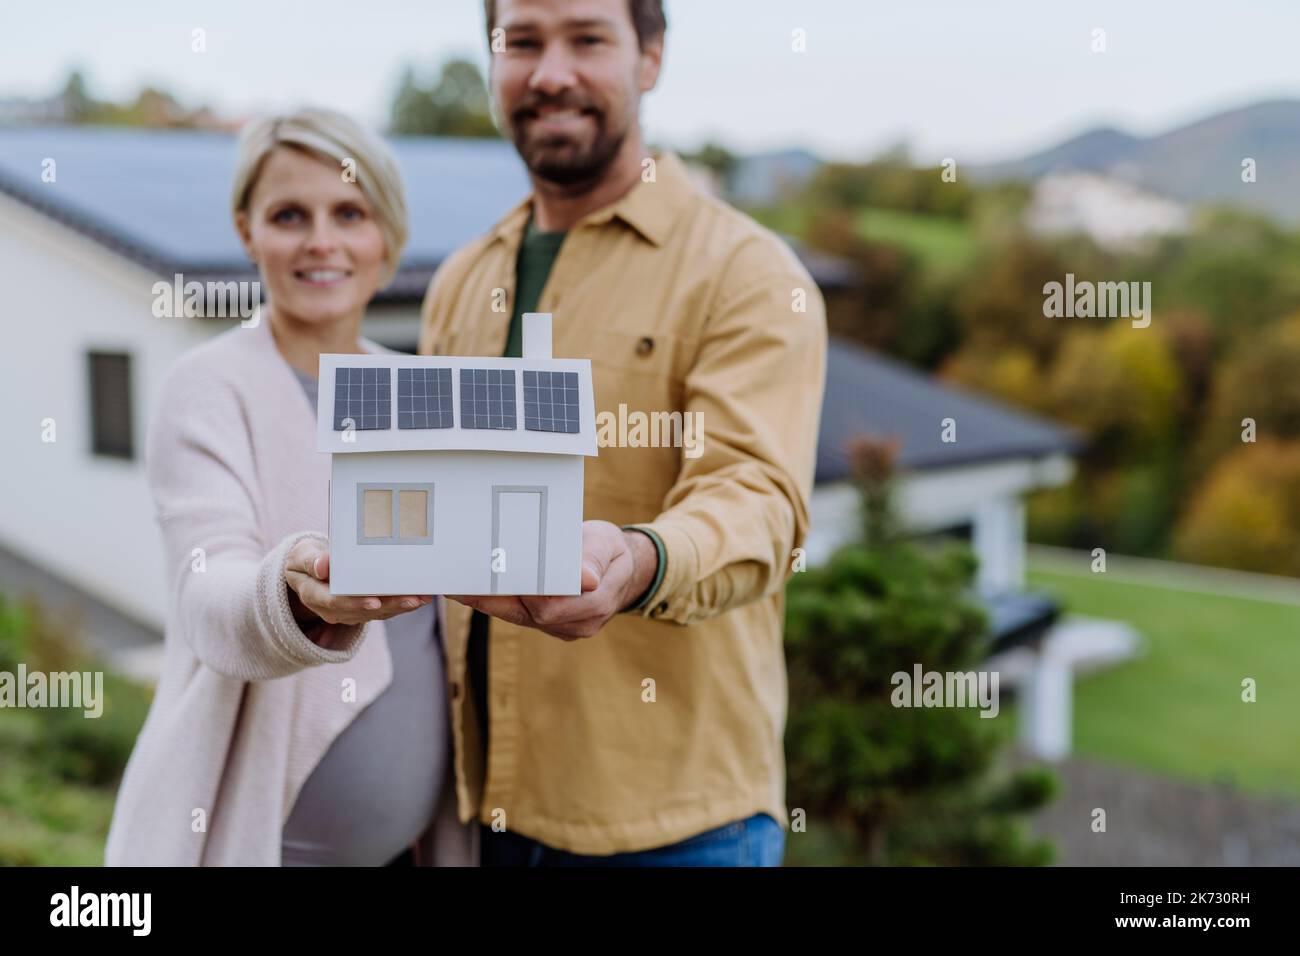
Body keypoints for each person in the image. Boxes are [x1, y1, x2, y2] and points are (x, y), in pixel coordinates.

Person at [420, 0, 827, 866]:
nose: (551, 71)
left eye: (587, 39)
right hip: (479, 809)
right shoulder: (461, 279)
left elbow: (758, 500)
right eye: (522, 42)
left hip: (677, 827)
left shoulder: (745, 274)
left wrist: (640, 559)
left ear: (650, 58)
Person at [106, 108, 473, 867]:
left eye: (349, 212)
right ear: (247, 232)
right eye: (287, 215)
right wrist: (291, 593)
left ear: (388, 238)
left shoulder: (419, 395)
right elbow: (207, 590)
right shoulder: (208, 387)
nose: (320, 241)